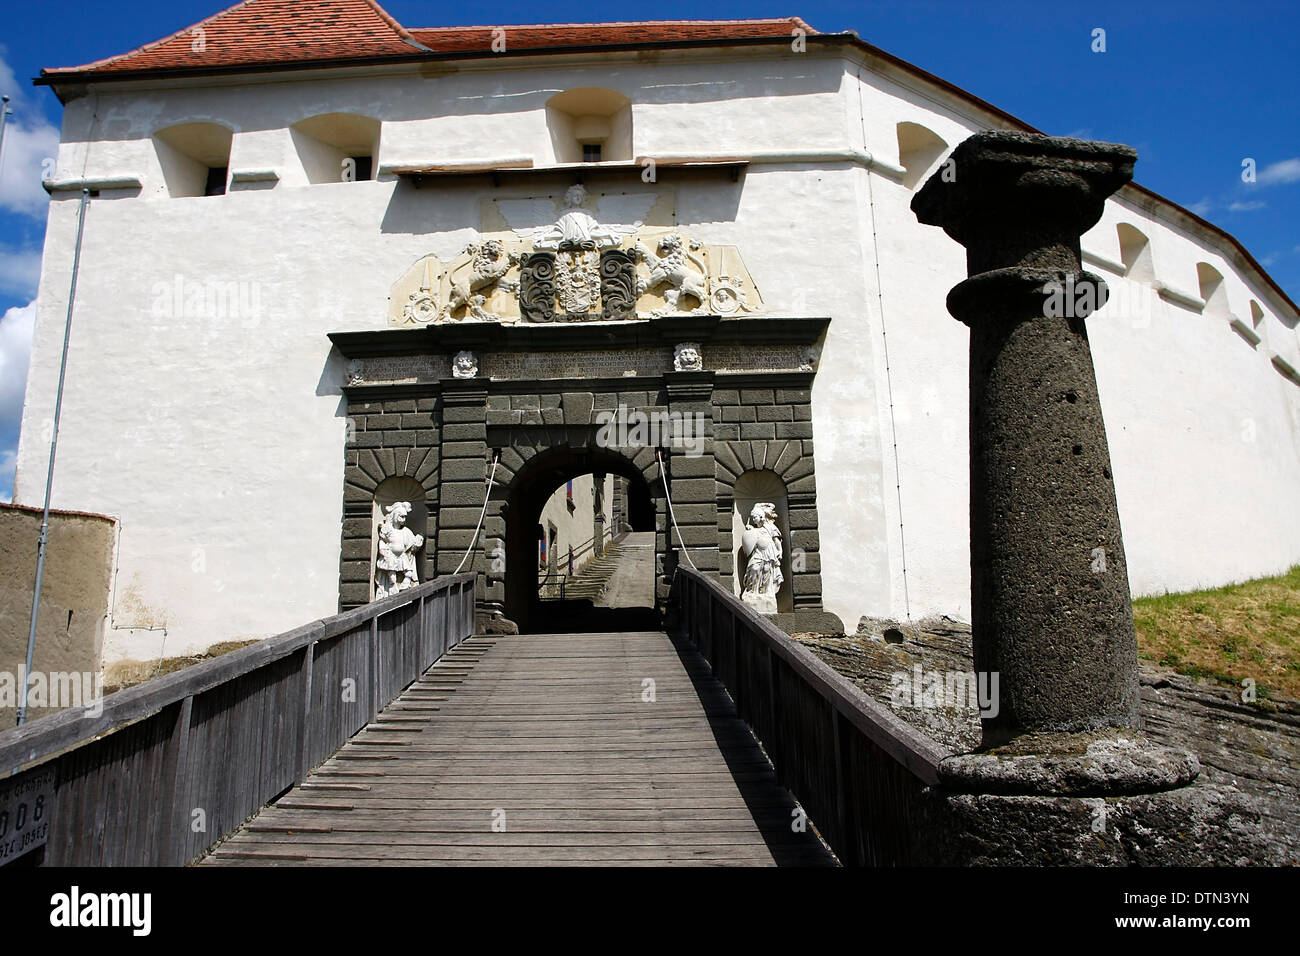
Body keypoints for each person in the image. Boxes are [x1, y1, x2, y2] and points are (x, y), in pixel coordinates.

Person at [740, 502, 783, 613]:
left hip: (769, 553)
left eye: (755, 517)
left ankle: (764, 592)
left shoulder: (770, 528)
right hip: (757, 553)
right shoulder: (753, 530)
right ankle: (752, 591)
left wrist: (780, 551)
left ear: (761, 517)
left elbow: (777, 541)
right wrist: (751, 531)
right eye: (753, 517)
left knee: (767, 572)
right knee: (754, 568)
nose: (753, 519)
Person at [375, 501, 423, 598]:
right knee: (392, 577)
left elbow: (412, 545)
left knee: (409, 573)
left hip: (402, 556)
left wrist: (419, 540)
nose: (404, 519)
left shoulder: (406, 531)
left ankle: (405, 585)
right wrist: (383, 551)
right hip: (390, 557)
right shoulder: (388, 529)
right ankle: (392, 592)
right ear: (395, 516)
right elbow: (382, 541)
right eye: (401, 516)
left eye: (405, 517)